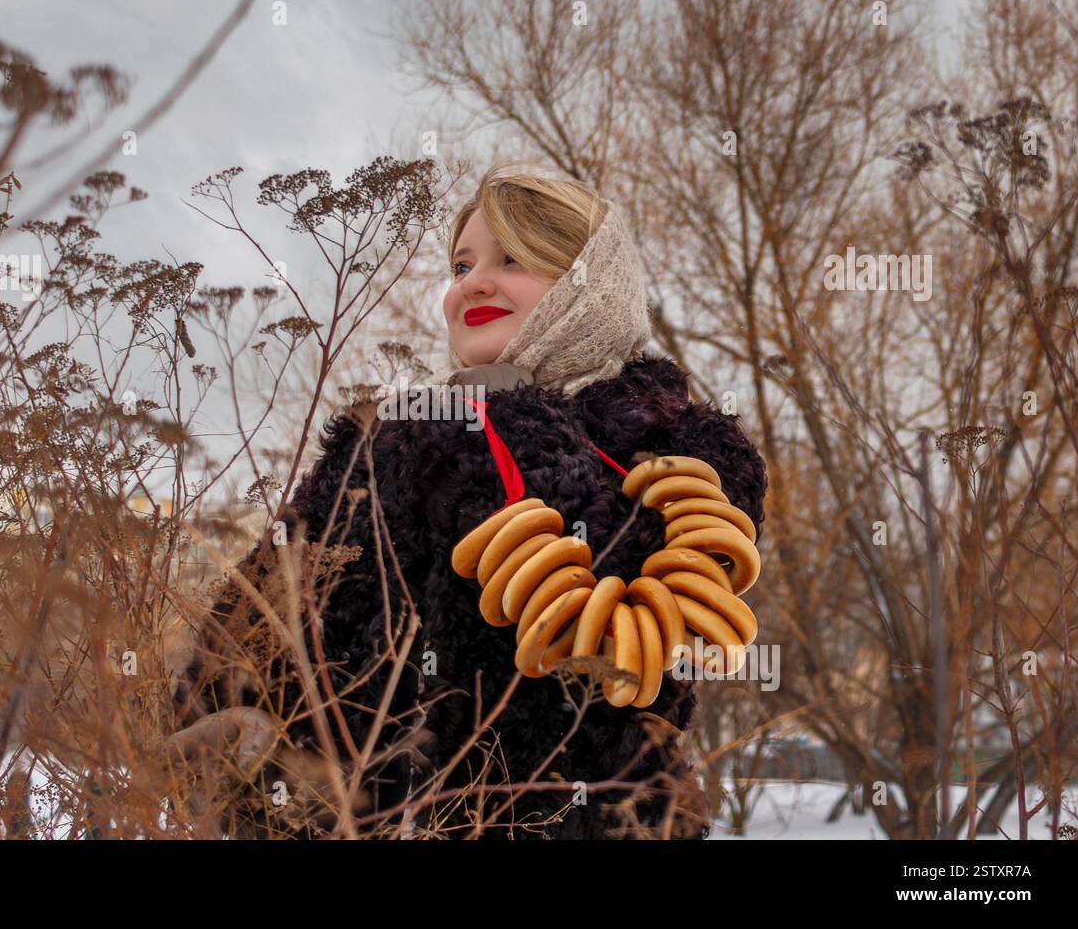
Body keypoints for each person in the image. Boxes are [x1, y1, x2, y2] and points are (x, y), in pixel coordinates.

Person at [172, 165, 768, 839]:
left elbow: (607, 629)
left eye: (512, 258)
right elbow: (255, 636)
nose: (472, 284)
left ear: (593, 284)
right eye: (461, 266)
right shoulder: (395, 444)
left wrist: (499, 419)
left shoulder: (685, 455)